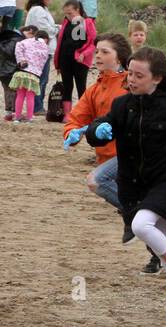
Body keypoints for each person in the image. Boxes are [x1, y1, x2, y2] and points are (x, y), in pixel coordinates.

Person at [80, 47, 166, 319]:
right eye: (129, 73)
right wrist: (97, 132)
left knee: (141, 226)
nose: (131, 79)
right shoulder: (122, 105)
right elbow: (99, 128)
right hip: (134, 183)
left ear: (157, 78)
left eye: (139, 75)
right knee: (159, 239)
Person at [61, 33, 160, 274]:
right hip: (110, 158)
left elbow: (150, 109)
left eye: (105, 52)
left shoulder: (131, 82)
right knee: (143, 218)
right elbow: (76, 118)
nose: (98, 56)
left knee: (95, 181)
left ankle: (135, 213)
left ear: (120, 57)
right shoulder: (95, 89)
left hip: (135, 155)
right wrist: (73, 132)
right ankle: (159, 256)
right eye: (97, 51)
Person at [54, 0, 96, 117]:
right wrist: (57, 63)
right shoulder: (66, 23)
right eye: (66, 14)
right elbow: (60, 43)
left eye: (70, 13)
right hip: (65, 59)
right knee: (67, 86)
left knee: (81, 86)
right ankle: (67, 114)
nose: (68, 16)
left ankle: (83, 113)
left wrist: (84, 54)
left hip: (80, 60)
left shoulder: (87, 22)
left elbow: (93, 42)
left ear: (78, 10)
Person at [24, 0, 58, 115]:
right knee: (40, 79)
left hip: (43, 49)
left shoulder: (42, 9)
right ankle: (37, 107)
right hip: (40, 50)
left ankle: (37, 106)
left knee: (41, 78)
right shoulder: (38, 10)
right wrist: (59, 29)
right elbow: (46, 29)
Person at [9, 25, 49, 123]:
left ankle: (17, 117)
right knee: (30, 96)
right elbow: (43, 62)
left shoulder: (27, 41)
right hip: (33, 75)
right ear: (46, 39)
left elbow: (18, 46)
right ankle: (29, 117)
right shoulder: (46, 48)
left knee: (20, 95)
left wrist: (21, 60)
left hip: (22, 72)